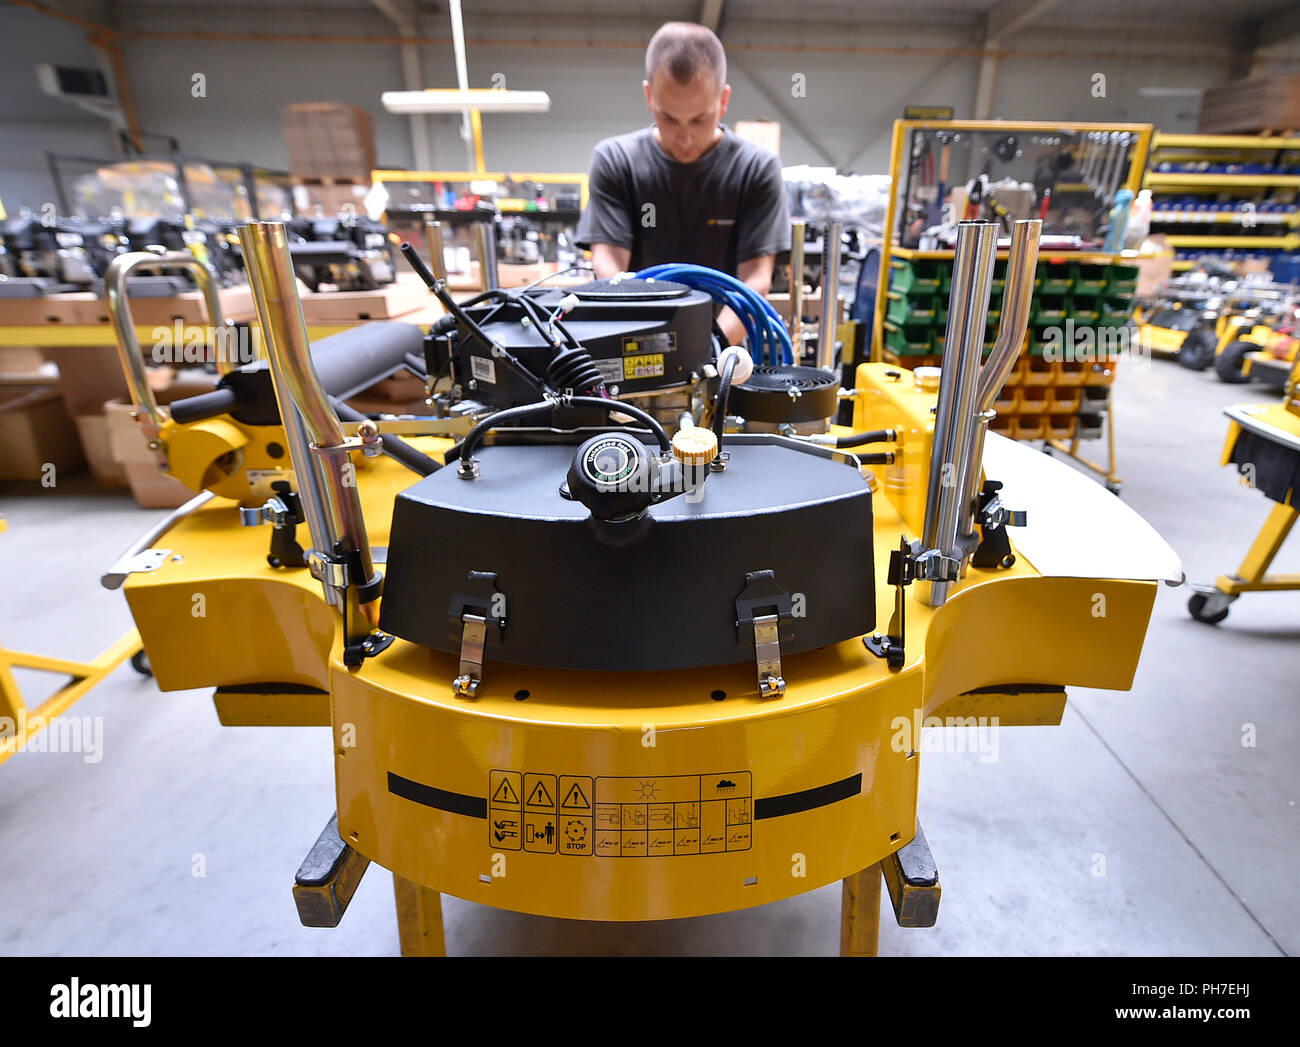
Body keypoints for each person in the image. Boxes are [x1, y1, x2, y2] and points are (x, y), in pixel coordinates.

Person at [575, 21, 790, 346]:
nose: (685, 138)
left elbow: (755, 280)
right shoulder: (617, 161)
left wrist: (710, 352)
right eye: (670, 118)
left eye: (700, 119)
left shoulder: (755, 169)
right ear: (649, 95)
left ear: (723, 100)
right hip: (641, 348)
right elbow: (610, 269)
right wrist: (657, 349)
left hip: (724, 348)